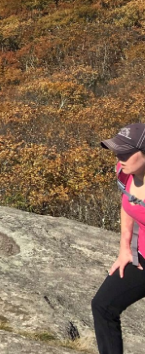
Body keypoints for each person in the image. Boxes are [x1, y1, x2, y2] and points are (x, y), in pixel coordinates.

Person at [92, 123, 145, 353]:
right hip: (141, 255)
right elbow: (127, 205)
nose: (119, 157)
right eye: (117, 151)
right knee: (103, 306)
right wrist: (125, 248)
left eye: (125, 152)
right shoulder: (125, 173)